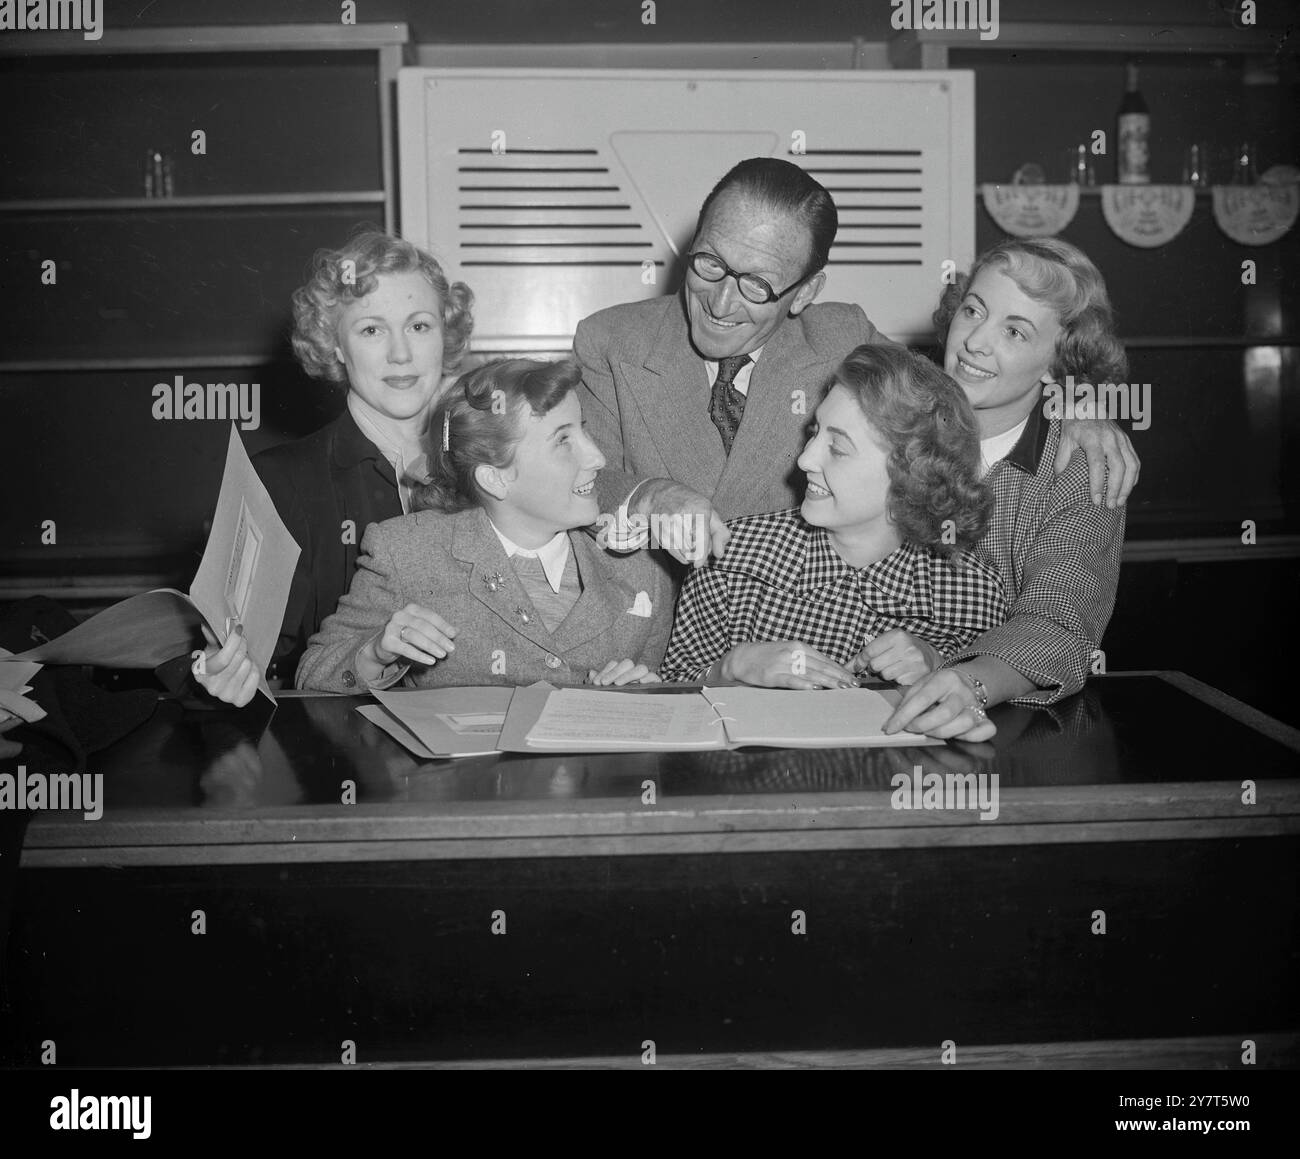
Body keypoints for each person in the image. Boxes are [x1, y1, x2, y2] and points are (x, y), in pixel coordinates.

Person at [575, 157, 1140, 568]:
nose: (721, 304)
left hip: (806, 645)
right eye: (709, 264)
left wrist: (1076, 406)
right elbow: (577, 477)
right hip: (647, 649)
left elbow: (947, 393)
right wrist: (652, 495)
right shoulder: (611, 340)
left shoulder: (844, 336)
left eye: (757, 285)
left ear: (804, 293)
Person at [192, 230, 474, 706]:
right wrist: (216, 668)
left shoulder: (496, 460)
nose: (400, 354)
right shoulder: (282, 481)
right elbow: (239, 655)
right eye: (371, 330)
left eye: (420, 326)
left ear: (446, 335)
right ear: (335, 346)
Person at [296, 359, 674, 692]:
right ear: (495, 479)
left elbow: (660, 714)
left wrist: (642, 699)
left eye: (584, 430)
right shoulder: (406, 552)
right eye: (563, 441)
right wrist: (374, 653)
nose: (596, 456)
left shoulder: (642, 569)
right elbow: (313, 675)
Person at [882, 238, 1130, 743]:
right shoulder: (891, 428)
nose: (975, 341)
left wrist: (965, 681)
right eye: (973, 310)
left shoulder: (1080, 467)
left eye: (1015, 332)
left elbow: (1059, 621)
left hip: (1018, 735)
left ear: (1059, 365)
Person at [659, 343, 1007, 690]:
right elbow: (670, 698)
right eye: (814, 433)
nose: (805, 460)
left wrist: (940, 666)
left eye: (838, 449)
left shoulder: (972, 591)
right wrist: (728, 669)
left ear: (915, 478)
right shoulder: (731, 559)